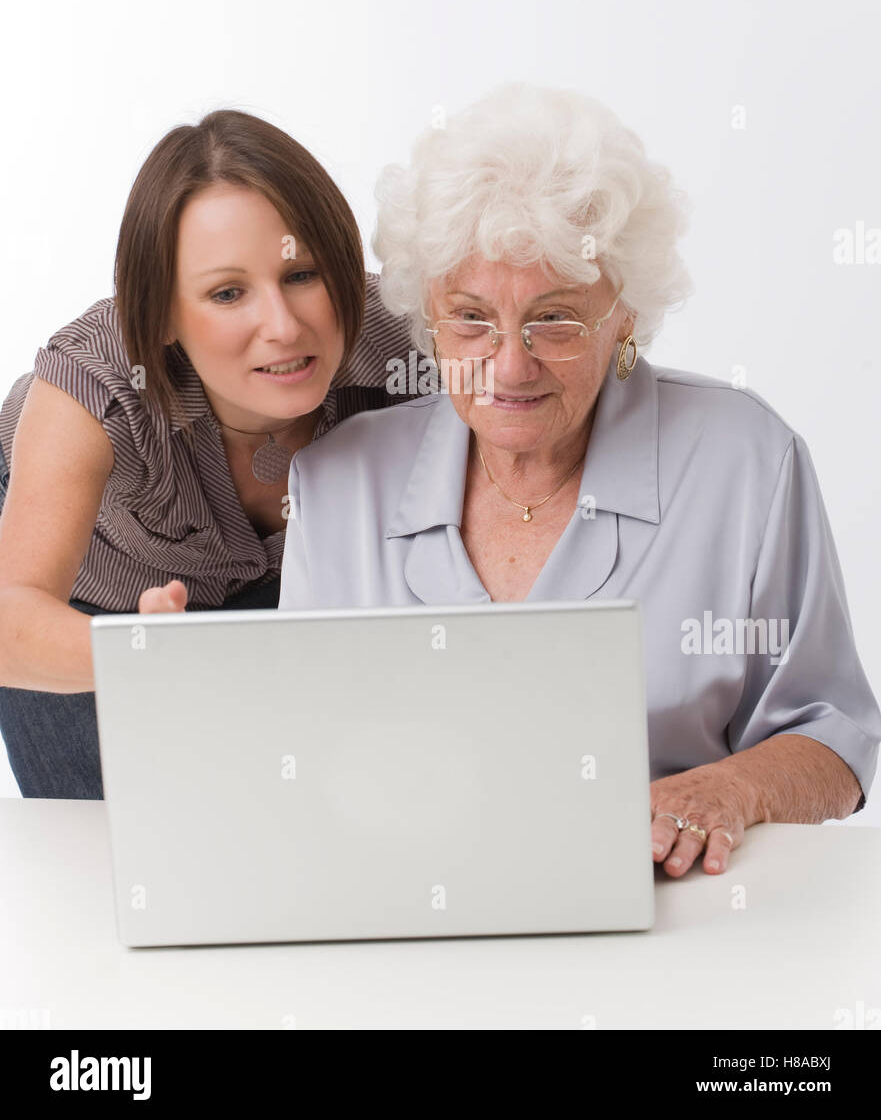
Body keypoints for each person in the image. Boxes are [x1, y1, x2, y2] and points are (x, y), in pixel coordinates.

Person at [279, 82, 881, 879]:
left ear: (623, 313)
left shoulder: (746, 461)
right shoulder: (337, 481)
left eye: (555, 319)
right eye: (469, 318)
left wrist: (728, 789)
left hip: (674, 922)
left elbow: (835, 734)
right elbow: (290, 757)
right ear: (425, 308)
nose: (509, 364)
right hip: (404, 908)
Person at [0, 109, 426, 799]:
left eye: (303, 275)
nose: (284, 329)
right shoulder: (92, 384)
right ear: (162, 311)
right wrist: (139, 652)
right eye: (227, 293)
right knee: (95, 850)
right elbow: (9, 615)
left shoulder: (409, 351)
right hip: (95, 611)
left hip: (279, 597)